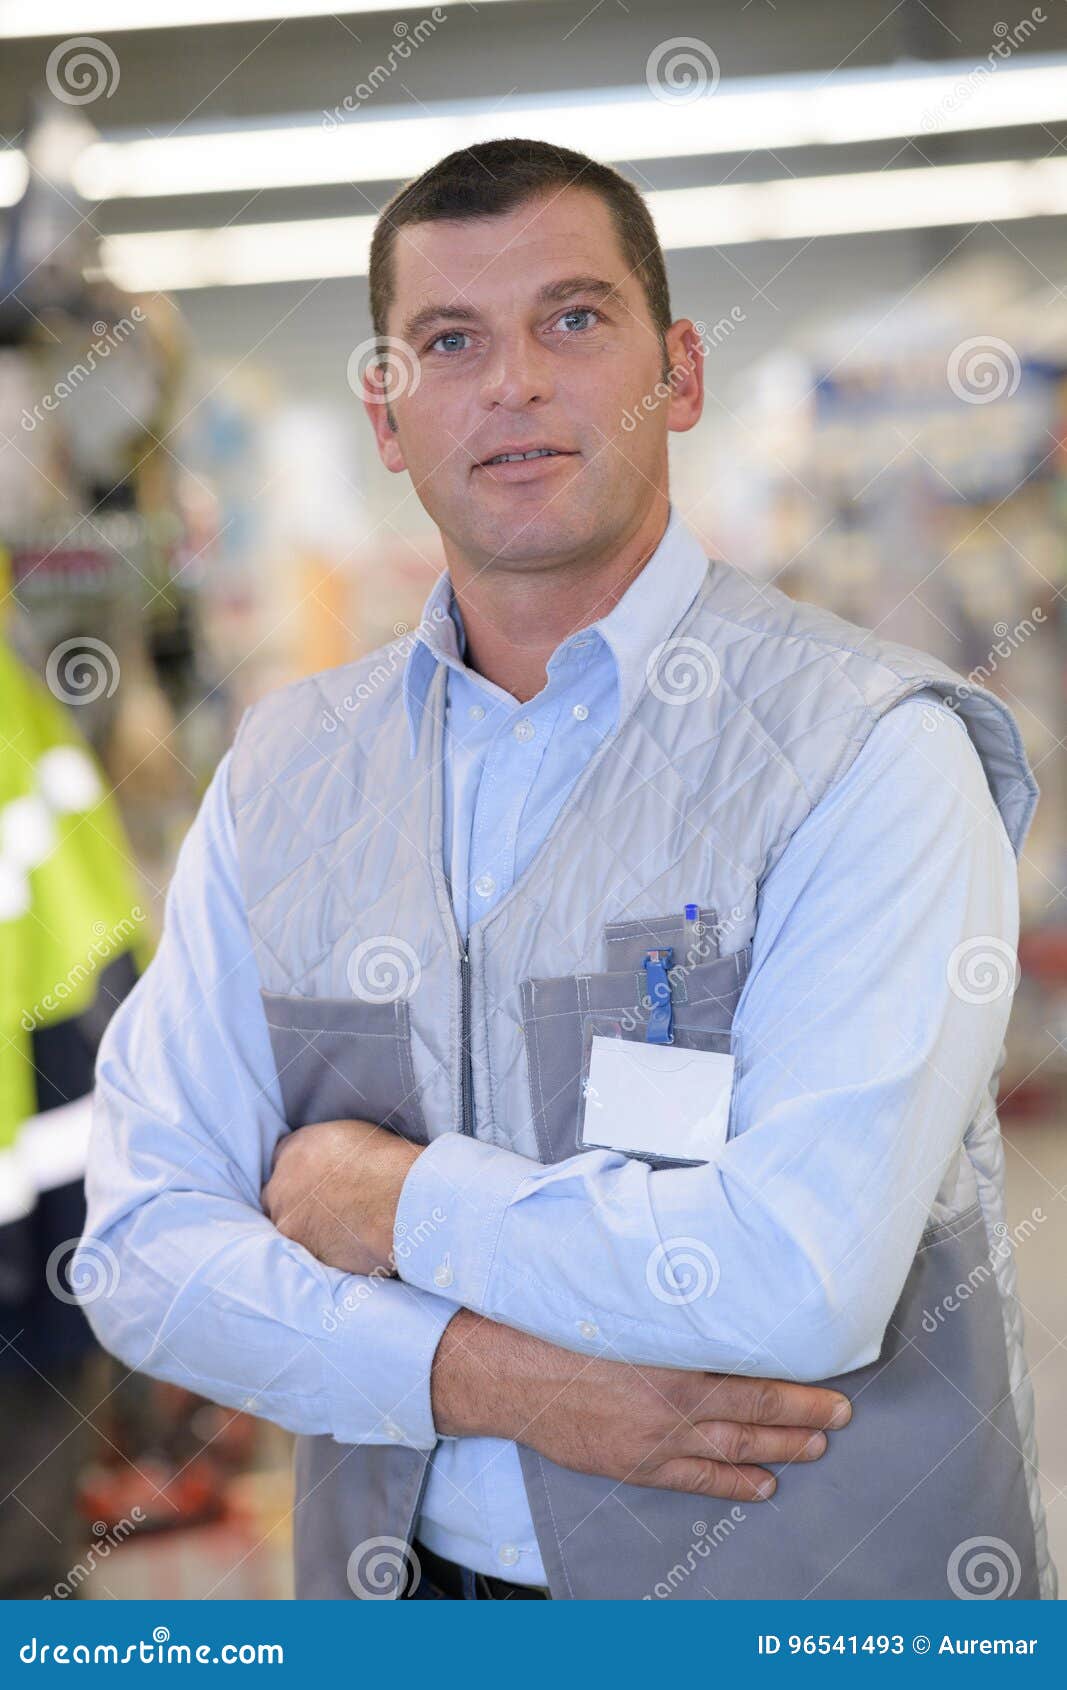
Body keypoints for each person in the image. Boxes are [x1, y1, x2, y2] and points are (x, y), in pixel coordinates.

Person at [76, 139, 1054, 1602]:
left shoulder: (865, 753)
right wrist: (487, 1377)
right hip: (398, 1600)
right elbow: (142, 1245)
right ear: (387, 412)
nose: (514, 382)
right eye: (449, 341)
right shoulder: (286, 775)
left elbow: (798, 1274)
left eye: (574, 321)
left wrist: (387, 1200)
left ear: (683, 371)